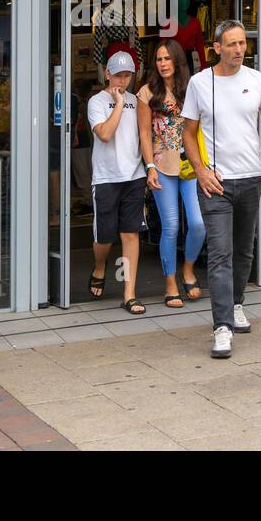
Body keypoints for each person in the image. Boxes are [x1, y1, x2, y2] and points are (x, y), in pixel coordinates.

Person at [182, 20, 261, 360]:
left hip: (251, 179)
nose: (239, 50)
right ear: (216, 48)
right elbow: (188, 132)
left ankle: (237, 302)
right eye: (232, 44)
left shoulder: (258, 81)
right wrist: (200, 171)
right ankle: (222, 327)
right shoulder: (199, 83)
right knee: (221, 254)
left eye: (242, 43)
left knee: (244, 251)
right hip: (216, 184)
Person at [137, 38, 206, 308]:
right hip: (162, 165)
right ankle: (170, 285)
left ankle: (188, 269)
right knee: (171, 226)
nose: (163, 64)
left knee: (198, 224)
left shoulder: (193, 88)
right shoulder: (147, 92)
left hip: (191, 165)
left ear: (177, 61)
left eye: (167, 58)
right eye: (159, 59)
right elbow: (143, 132)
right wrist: (149, 166)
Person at [86, 51, 147, 314]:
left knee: (130, 232)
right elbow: (106, 134)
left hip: (134, 175)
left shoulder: (138, 101)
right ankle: (100, 267)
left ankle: (129, 293)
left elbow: (144, 134)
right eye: (119, 74)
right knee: (105, 236)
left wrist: (150, 167)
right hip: (106, 177)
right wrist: (119, 104)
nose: (123, 81)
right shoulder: (96, 101)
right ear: (107, 74)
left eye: (127, 75)